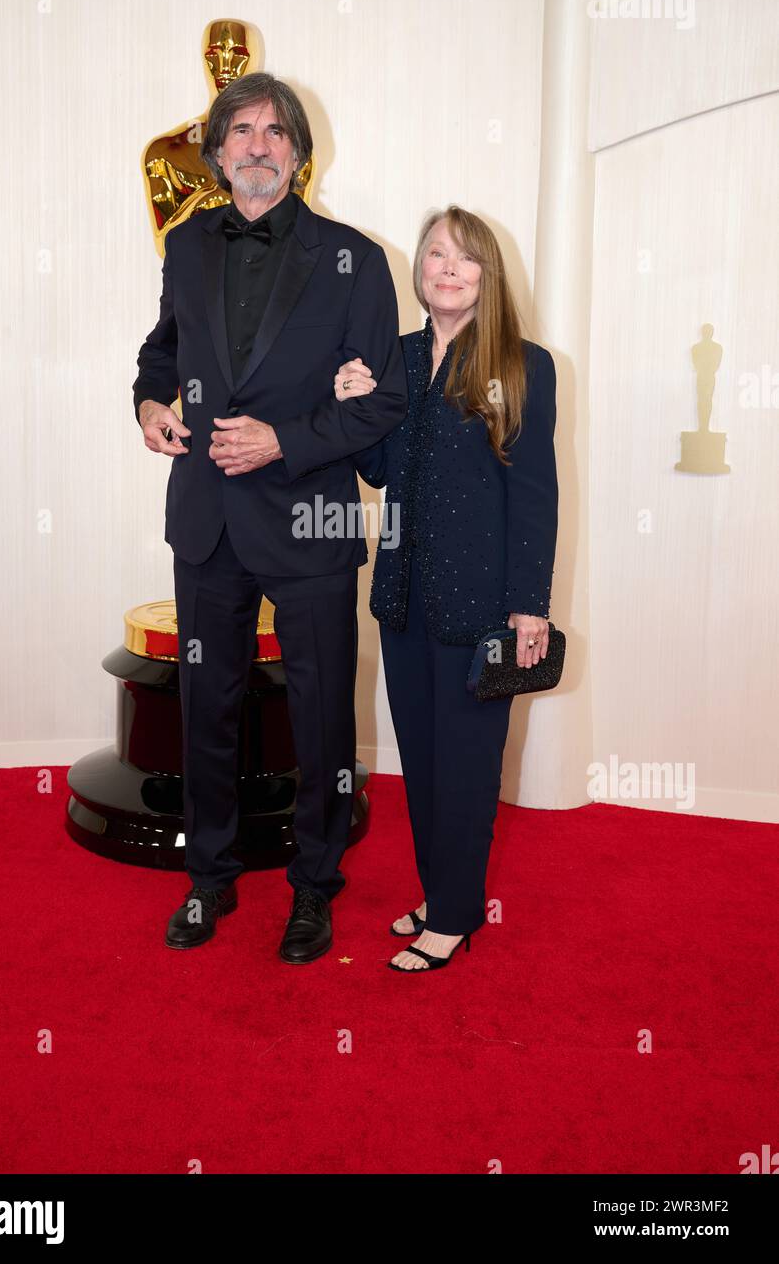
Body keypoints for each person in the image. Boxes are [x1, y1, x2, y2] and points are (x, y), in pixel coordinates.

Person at [133, 72, 407, 964]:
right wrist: (147, 403)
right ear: (218, 153)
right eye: (240, 130)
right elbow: (160, 350)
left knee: (323, 714)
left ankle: (314, 888)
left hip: (312, 523)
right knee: (206, 705)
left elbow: (379, 405)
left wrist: (281, 441)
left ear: (297, 151)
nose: (257, 144)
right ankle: (208, 879)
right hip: (206, 521)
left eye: (274, 131)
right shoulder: (185, 248)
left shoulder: (354, 259)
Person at [336, 206, 558, 972]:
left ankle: (457, 915)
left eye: (464, 258)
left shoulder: (523, 363)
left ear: (486, 274)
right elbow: (376, 472)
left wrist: (531, 604)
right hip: (402, 599)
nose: (448, 268)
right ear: (420, 272)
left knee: (466, 767)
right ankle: (441, 891)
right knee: (424, 762)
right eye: (435, 255)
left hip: (483, 607)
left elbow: (533, 493)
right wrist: (354, 402)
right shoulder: (395, 358)